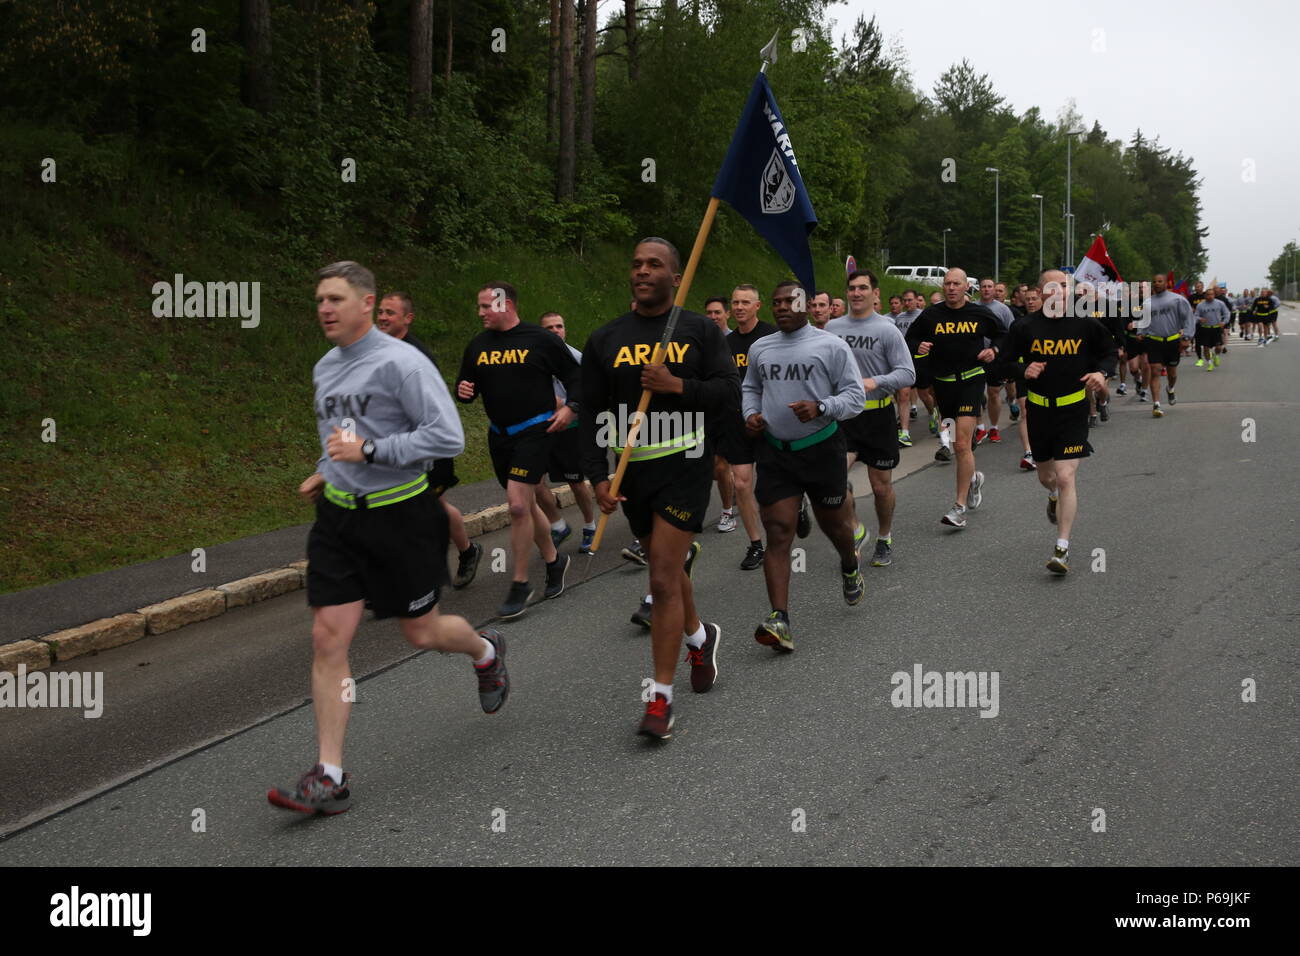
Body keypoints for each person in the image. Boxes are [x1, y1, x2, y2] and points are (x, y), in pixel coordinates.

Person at [267, 261, 507, 815]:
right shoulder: (326, 367)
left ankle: (487, 650)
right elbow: (342, 436)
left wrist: (372, 454)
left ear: (367, 303)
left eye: (336, 298)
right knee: (329, 637)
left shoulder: (402, 364)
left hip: (401, 514)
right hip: (340, 519)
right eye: (320, 299)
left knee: (421, 633)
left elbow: (446, 436)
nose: (324, 308)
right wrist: (327, 467)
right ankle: (329, 775)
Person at [580, 237, 738, 740]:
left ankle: (660, 701)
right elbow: (590, 414)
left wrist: (677, 387)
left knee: (663, 579)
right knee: (665, 570)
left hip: (685, 462)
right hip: (634, 472)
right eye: (636, 263)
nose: (642, 271)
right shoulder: (605, 339)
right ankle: (698, 635)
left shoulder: (698, 331)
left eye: (655, 264)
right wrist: (598, 477)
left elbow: (729, 393)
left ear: (676, 276)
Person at [744, 281, 866, 652]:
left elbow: (855, 396)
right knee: (778, 532)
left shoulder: (830, 345)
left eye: (789, 301)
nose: (781, 307)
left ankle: (849, 563)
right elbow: (750, 387)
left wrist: (822, 407)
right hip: (776, 453)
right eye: (776, 302)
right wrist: (750, 413)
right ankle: (779, 618)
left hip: (821, 449)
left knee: (835, 525)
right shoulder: (760, 347)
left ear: (805, 304)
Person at [456, 282, 580, 618]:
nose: (480, 313)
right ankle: (555, 562)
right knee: (523, 506)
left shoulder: (541, 340)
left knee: (516, 504)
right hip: (500, 436)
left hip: (536, 431)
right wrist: (463, 390)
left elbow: (577, 376)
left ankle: (521, 583)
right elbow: (466, 386)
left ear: (505, 304)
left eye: (485, 306)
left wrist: (572, 407)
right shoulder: (478, 345)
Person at [1006, 270, 1117, 573]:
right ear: (1040, 293)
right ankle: (1053, 496)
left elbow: (1109, 354)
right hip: (1039, 411)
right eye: (1052, 287)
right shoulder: (1024, 327)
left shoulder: (1087, 324)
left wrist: (1101, 374)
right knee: (1048, 478)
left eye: (1065, 286)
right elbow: (1005, 361)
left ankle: (1062, 548)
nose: (1059, 292)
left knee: (1066, 476)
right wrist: (1022, 370)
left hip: (1073, 410)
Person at [376, 291, 482, 588]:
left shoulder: (417, 357)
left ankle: (462, 553)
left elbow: (431, 410)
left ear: (407, 319)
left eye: (390, 313)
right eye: (380, 312)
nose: (382, 317)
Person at [825, 270, 915, 568]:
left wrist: (874, 382)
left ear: (875, 294)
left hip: (878, 417)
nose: (856, 293)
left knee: (880, 487)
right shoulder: (831, 328)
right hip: (843, 417)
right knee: (833, 480)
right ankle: (856, 529)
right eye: (852, 288)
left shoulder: (887, 329)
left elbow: (907, 373)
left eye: (863, 288)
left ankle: (884, 536)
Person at [905, 269, 1004, 529]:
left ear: (965, 287)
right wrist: (918, 346)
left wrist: (993, 350)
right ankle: (972, 480)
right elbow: (910, 337)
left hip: (971, 380)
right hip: (943, 385)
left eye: (956, 284)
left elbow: (1003, 335)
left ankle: (958, 508)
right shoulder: (931, 314)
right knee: (961, 445)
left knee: (961, 444)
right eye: (947, 283)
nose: (951, 288)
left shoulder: (979, 313)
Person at [715, 284, 775, 572]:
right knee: (741, 482)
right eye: (735, 302)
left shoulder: (772, 336)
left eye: (745, 302)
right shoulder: (724, 344)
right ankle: (756, 544)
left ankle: (795, 507)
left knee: (771, 483)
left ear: (757, 306)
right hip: (735, 421)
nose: (739, 307)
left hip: (768, 420)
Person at [537, 311, 599, 551]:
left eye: (559, 326)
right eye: (549, 327)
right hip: (541, 427)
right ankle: (558, 524)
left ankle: (590, 525)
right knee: (533, 483)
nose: (555, 331)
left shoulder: (576, 357)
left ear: (565, 329)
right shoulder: (534, 356)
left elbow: (590, 391)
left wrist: (568, 403)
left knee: (576, 482)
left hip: (570, 426)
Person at [1135, 272, 1194, 418]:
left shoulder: (1178, 300)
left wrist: (1186, 336)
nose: (1157, 284)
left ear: (1166, 283)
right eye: (1155, 281)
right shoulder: (1147, 303)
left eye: (1160, 281)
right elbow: (1143, 321)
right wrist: (1140, 332)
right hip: (1154, 341)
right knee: (1155, 370)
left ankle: (1171, 388)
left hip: (1173, 341)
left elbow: (1188, 319)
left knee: (1172, 374)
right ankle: (1156, 404)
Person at [975, 277, 1016, 445]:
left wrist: (1001, 352)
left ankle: (994, 427)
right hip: (975, 356)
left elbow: (1011, 333)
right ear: (979, 289)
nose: (986, 289)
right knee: (976, 393)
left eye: (989, 287)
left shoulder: (1003, 309)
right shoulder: (972, 308)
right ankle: (980, 427)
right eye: (983, 286)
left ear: (994, 290)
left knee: (993, 393)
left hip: (995, 356)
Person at [1193, 287, 1230, 370]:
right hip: (1205, 329)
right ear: (1205, 296)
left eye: (1212, 294)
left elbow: (1227, 313)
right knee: (1206, 348)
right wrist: (1200, 319)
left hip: (1216, 328)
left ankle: (1216, 356)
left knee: (1218, 347)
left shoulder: (1220, 303)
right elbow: (1195, 316)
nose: (1210, 296)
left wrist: (1224, 322)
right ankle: (1210, 364)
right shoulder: (1200, 305)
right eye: (1208, 295)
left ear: (1214, 295)